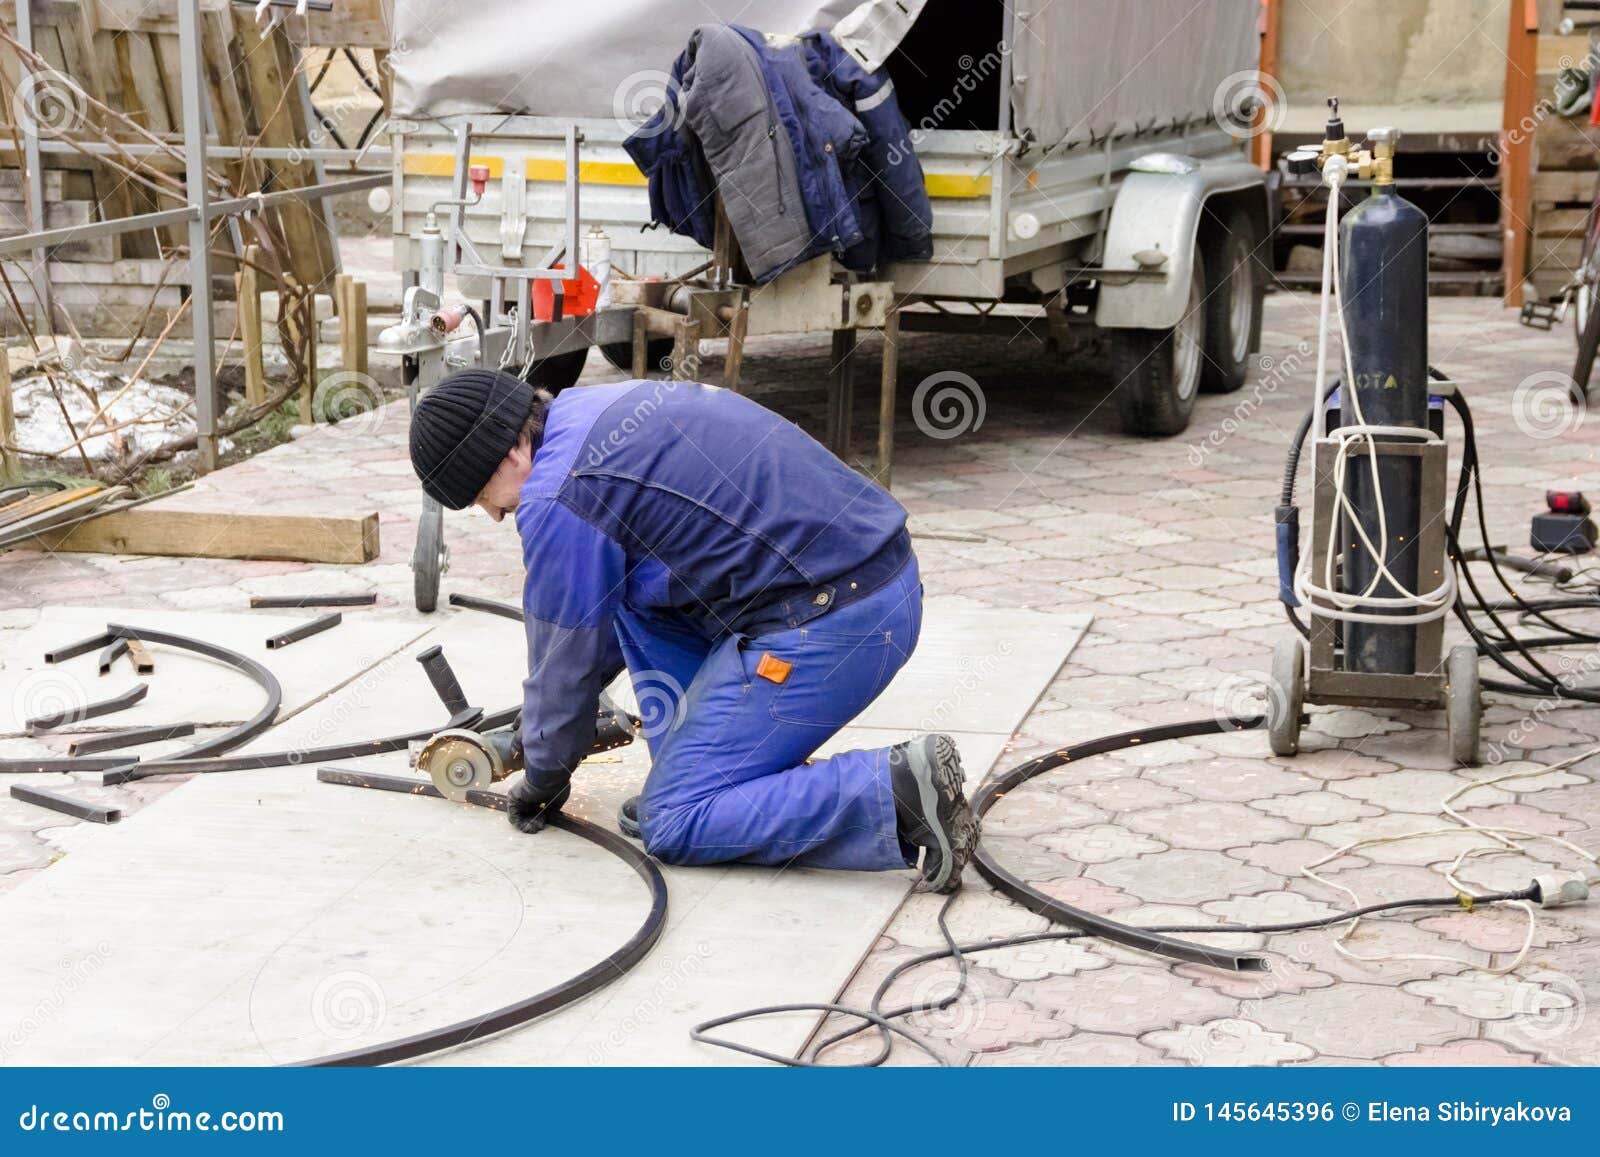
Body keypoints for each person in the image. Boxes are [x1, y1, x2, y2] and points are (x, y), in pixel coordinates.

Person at [407, 368, 980, 890]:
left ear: (508, 450)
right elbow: (589, 635)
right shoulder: (589, 413)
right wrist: (553, 735)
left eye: (483, 495)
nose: (495, 514)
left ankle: (895, 790)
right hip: (864, 581)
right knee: (627, 596)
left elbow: (564, 658)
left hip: (840, 619)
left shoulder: (559, 495)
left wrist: (545, 773)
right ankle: (702, 779)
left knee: (674, 823)